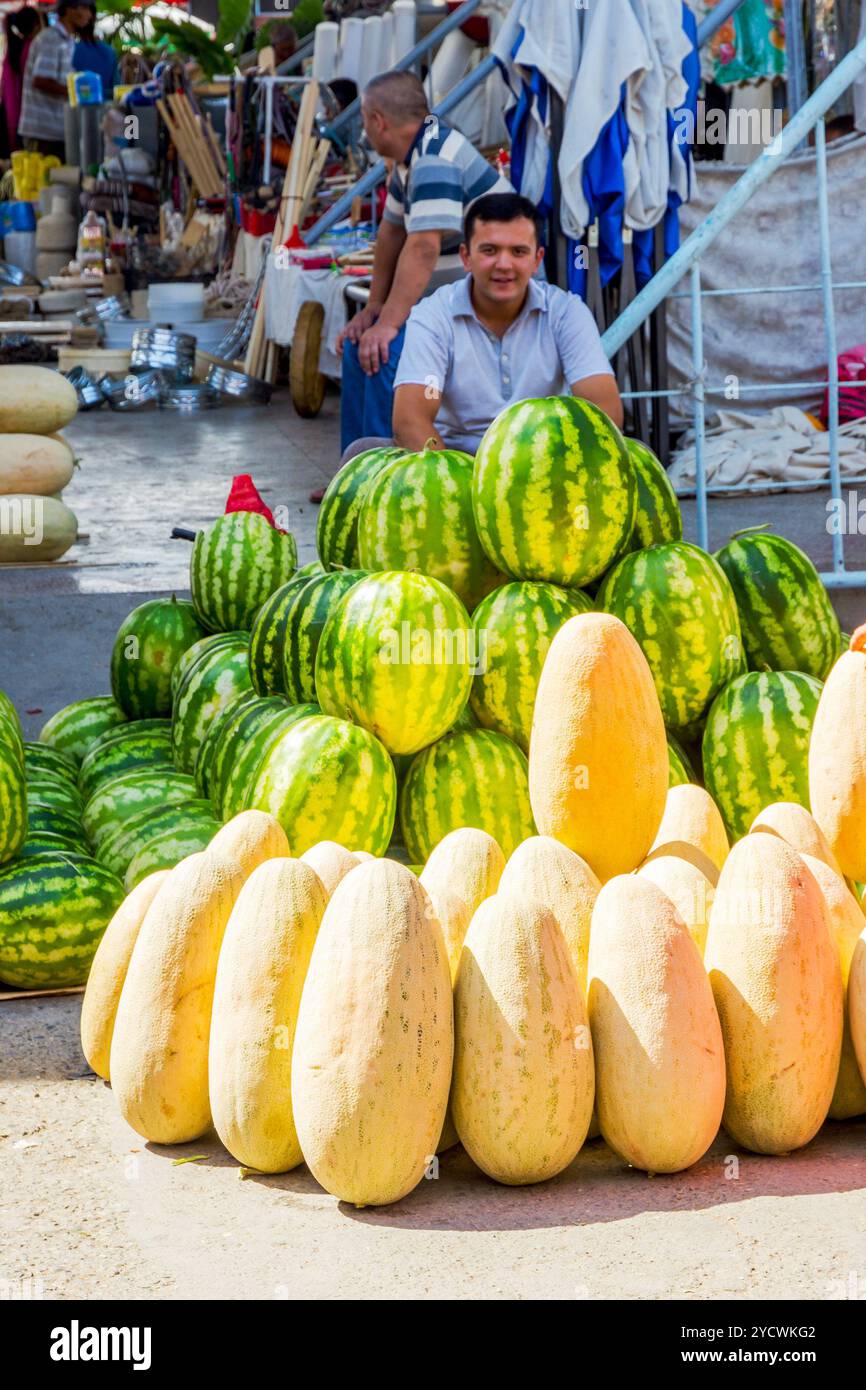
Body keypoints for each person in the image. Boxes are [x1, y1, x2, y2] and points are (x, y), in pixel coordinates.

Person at [348, 192, 622, 457]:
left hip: (543, 463)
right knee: (359, 453)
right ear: (466, 257)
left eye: (518, 251)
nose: (504, 264)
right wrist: (454, 482)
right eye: (489, 250)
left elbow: (604, 411)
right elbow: (411, 420)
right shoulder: (434, 315)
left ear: (537, 259)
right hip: (456, 458)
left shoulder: (567, 313)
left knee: (638, 453)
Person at [336, 69, 512, 453]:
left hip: (491, 302)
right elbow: (391, 233)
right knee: (358, 344)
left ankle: (390, 471)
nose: (365, 128)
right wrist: (376, 308)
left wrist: (387, 326)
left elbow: (422, 248)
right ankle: (354, 468)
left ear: (377, 120)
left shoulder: (434, 157)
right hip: (451, 300)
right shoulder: (411, 156)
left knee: (387, 351)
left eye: (365, 118)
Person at [18, 0, 92, 159]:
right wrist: (75, 93)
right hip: (43, 133)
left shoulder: (66, 40)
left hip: (54, 131)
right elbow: (41, 80)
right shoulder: (51, 38)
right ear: (69, 10)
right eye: (85, 8)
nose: (89, 15)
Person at [0, 5, 43, 155]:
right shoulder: (33, 49)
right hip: (31, 121)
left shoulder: (12, 49)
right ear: (37, 24)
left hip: (11, 119)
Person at [72, 5, 119, 99]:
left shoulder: (70, 51)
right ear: (94, 20)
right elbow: (116, 87)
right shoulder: (109, 51)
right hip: (106, 108)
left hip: (78, 109)